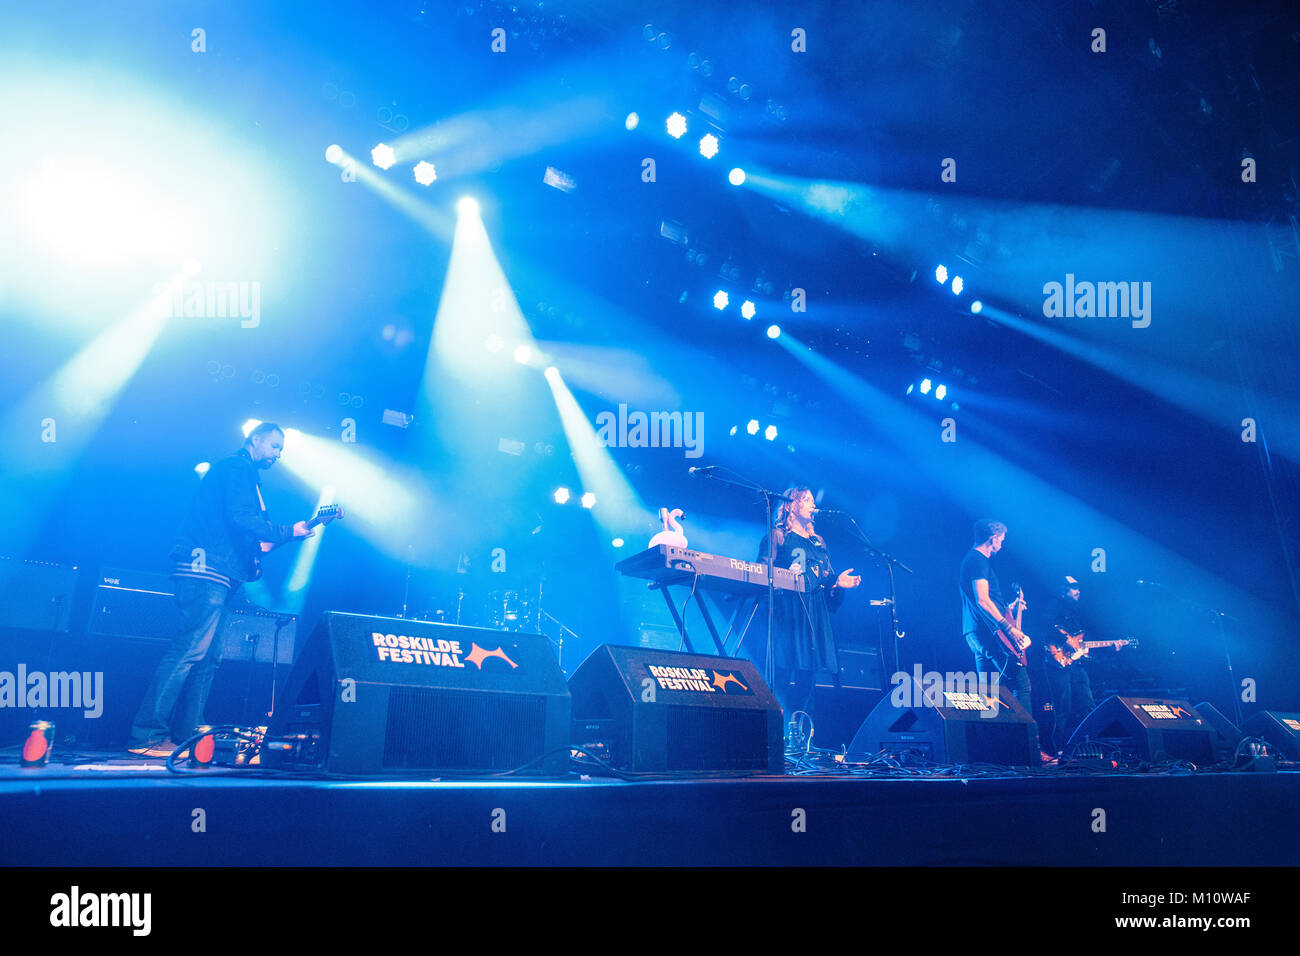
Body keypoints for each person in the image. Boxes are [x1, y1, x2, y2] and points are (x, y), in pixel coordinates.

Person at [126, 423, 313, 756]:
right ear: (255, 439)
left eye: (281, 449)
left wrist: (288, 536)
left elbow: (250, 537)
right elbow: (241, 517)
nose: (278, 454)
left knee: (209, 658)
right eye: (274, 445)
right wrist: (287, 529)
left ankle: (186, 736)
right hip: (205, 569)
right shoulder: (236, 467)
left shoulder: (246, 476)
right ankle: (147, 736)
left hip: (221, 573)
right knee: (189, 650)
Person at [751, 486, 861, 718]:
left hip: (814, 614)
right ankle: (774, 728)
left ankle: (801, 732)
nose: (813, 504)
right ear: (791, 505)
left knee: (807, 677)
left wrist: (838, 583)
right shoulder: (778, 536)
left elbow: (826, 578)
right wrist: (784, 575)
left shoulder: (818, 541)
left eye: (812, 500)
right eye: (807, 500)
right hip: (787, 613)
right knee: (781, 675)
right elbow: (762, 573)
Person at [958, 518, 1050, 761]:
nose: (1002, 544)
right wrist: (1009, 628)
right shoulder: (978, 560)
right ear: (993, 539)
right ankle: (1029, 749)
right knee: (1021, 684)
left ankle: (995, 753)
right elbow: (983, 600)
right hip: (991, 634)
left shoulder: (971, 560)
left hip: (976, 632)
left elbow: (986, 602)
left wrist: (1010, 607)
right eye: (1001, 540)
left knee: (990, 692)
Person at [1043, 575, 1097, 753]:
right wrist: (1066, 640)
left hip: (1076, 663)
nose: (1078, 591)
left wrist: (1112, 646)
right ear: (1062, 589)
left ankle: (1088, 747)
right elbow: (1047, 624)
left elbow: (1082, 640)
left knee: (1087, 704)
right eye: (1074, 587)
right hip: (1059, 662)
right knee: (1062, 706)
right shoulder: (1054, 604)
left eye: (1078, 587)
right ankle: (1057, 749)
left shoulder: (1076, 610)